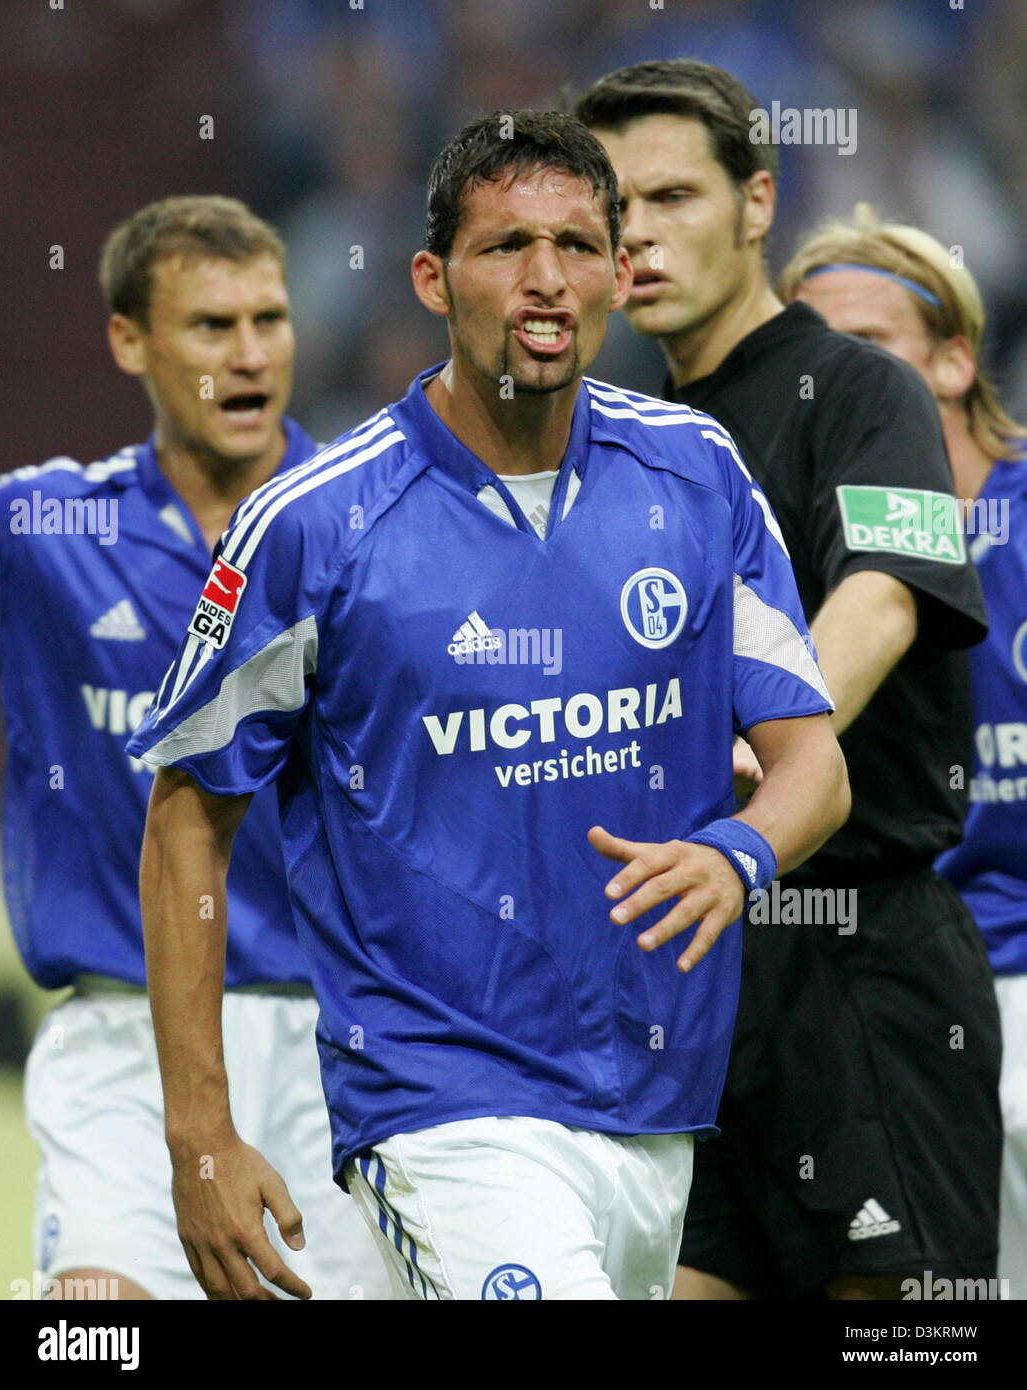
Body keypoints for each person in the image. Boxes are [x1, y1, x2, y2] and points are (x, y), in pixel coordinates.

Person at [127, 110, 850, 1303]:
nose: (545, 279)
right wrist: (198, 1133)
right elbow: (185, 820)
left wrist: (739, 854)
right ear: (431, 277)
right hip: (438, 1103)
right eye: (506, 245)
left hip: (657, 1100)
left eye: (575, 244)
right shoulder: (312, 526)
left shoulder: (700, 474)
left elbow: (812, 763)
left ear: (620, 273)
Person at [574, 60, 1001, 1301]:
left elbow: (884, 595)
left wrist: (759, 763)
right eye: (611, 209)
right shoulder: (623, 436)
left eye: (669, 196)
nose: (635, 235)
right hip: (698, 975)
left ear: (758, 202)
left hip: (861, 955)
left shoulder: (865, 388)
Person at [0, 195, 389, 1301]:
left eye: (271, 319)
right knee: (91, 1322)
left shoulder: (375, 526)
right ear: (130, 340)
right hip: (125, 1036)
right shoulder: (39, 532)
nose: (252, 354)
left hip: (344, 1040)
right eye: (213, 327)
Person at [779, 204, 1027, 1300]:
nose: (834, 383)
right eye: (811, 356)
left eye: (866, 349)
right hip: (890, 987)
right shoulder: (783, 556)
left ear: (956, 356)